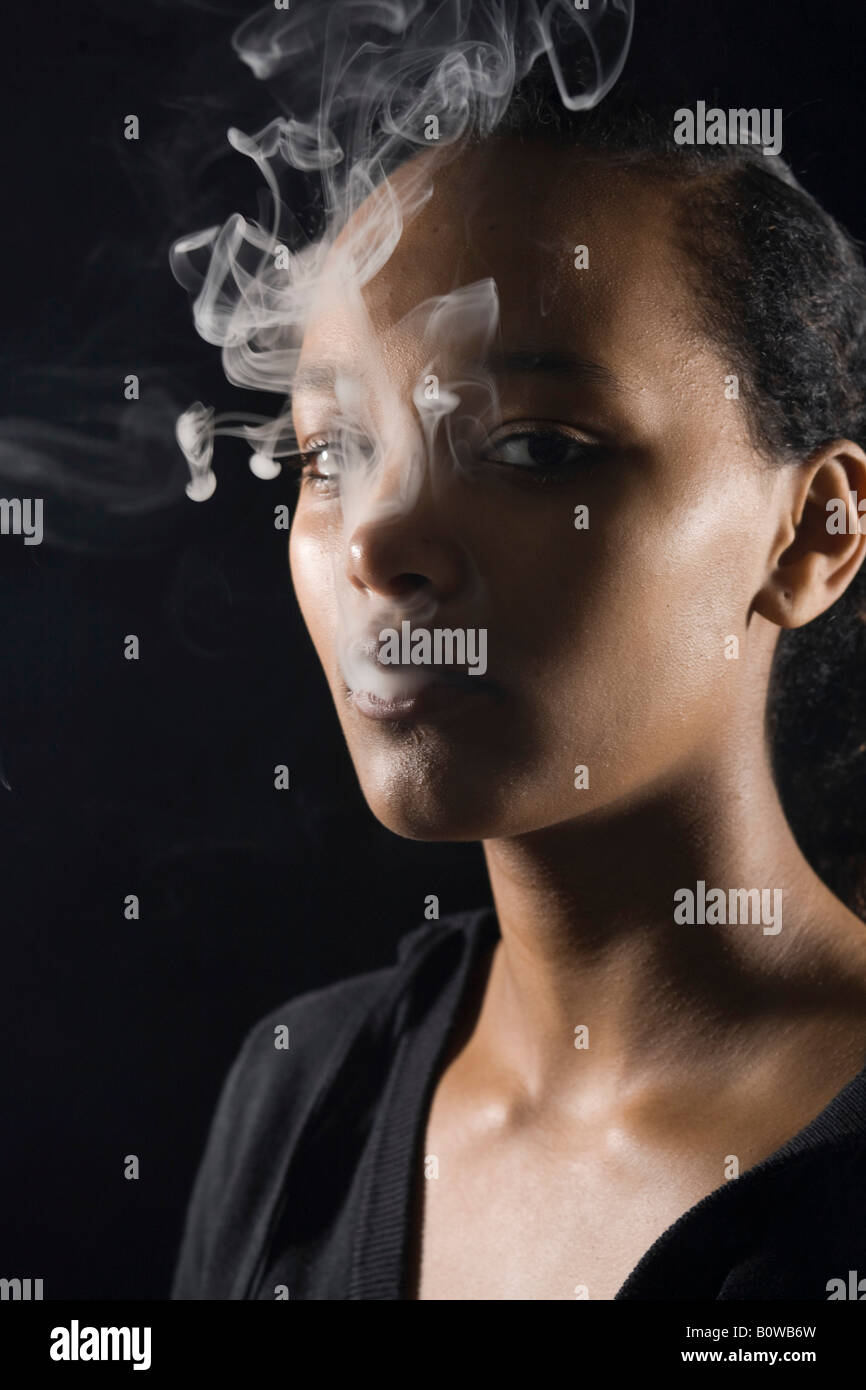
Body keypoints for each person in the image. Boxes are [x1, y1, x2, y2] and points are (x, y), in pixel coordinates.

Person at [171, 80, 866, 1301]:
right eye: (332, 452)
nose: (372, 542)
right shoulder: (298, 1096)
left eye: (538, 447)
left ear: (809, 533)